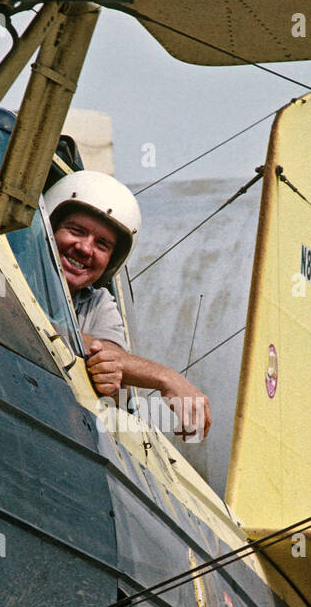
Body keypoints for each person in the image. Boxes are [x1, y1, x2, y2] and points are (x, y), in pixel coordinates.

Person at [42, 170, 212, 440]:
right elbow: (18, 318)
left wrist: (109, 371)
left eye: (103, 244)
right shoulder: (6, 271)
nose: (85, 249)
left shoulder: (96, 303)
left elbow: (109, 354)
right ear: (47, 227)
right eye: (76, 231)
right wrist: (166, 377)